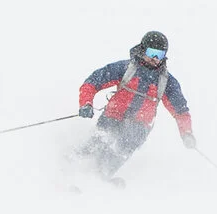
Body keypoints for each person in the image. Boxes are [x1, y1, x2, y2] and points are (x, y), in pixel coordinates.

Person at [76, 30, 196, 180]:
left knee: (120, 150)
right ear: (143, 49)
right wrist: (86, 104)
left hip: (139, 127)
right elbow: (92, 82)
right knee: (98, 143)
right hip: (112, 117)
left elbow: (181, 111)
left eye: (159, 55)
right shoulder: (125, 68)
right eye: (152, 52)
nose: (154, 58)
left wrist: (186, 133)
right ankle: (72, 168)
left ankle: (100, 179)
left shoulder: (167, 82)